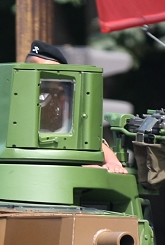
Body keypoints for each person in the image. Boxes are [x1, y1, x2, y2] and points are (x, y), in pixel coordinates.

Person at [23, 41, 126, 175]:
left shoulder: (68, 102)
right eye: (30, 69)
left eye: (47, 74)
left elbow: (85, 137)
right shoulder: (15, 96)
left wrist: (112, 162)